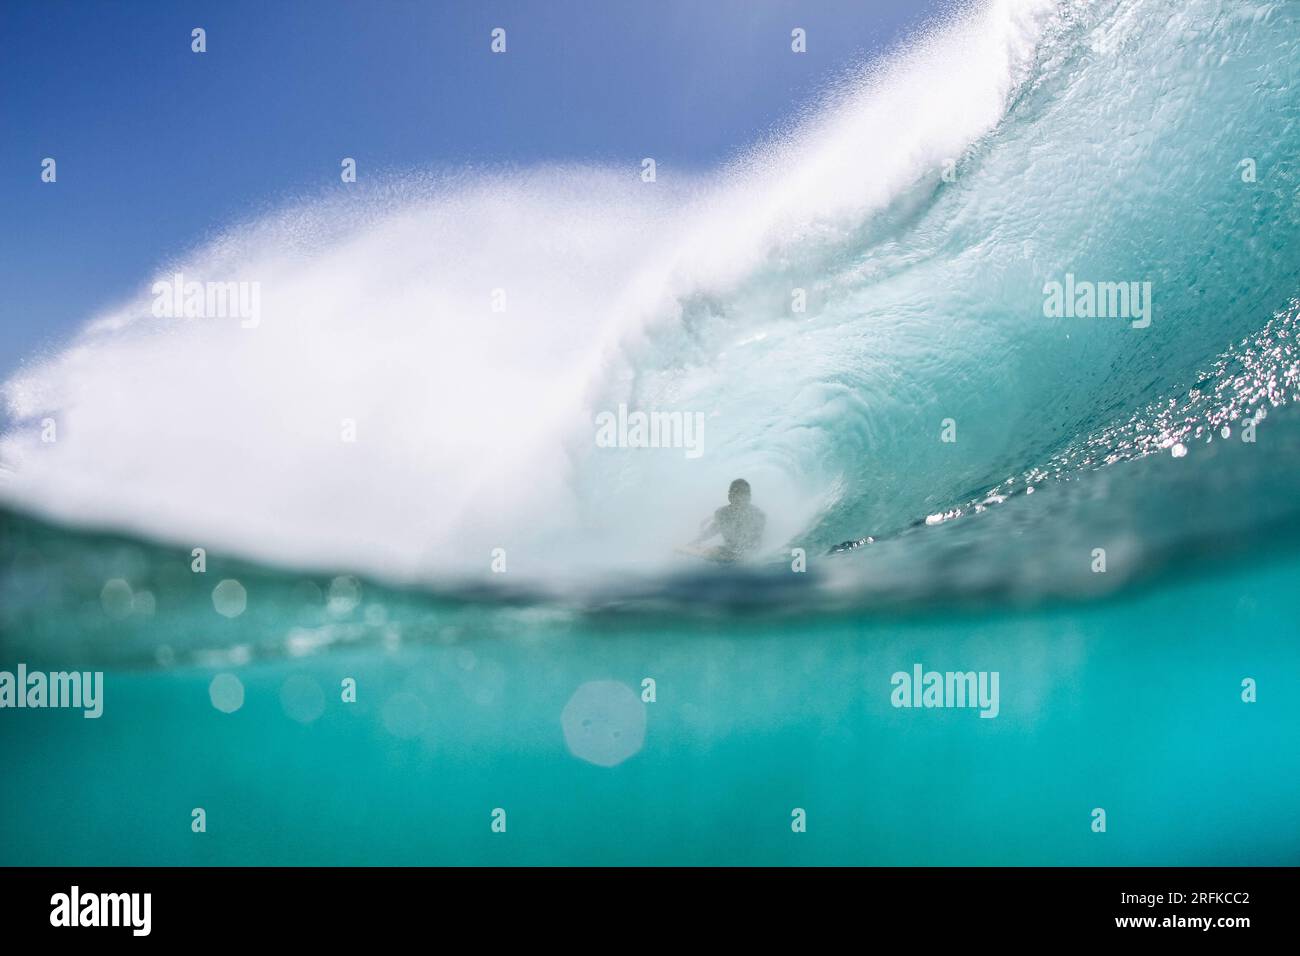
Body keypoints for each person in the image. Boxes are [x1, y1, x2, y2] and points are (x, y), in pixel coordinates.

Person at [689, 478, 766, 562]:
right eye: (736, 494)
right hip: (729, 551)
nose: (739, 498)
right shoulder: (722, 513)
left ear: (749, 497)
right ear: (729, 497)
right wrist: (696, 541)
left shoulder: (757, 515)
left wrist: (740, 556)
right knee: (713, 552)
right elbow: (712, 530)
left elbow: (755, 542)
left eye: (742, 494)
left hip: (748, 554)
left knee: (716, 551)